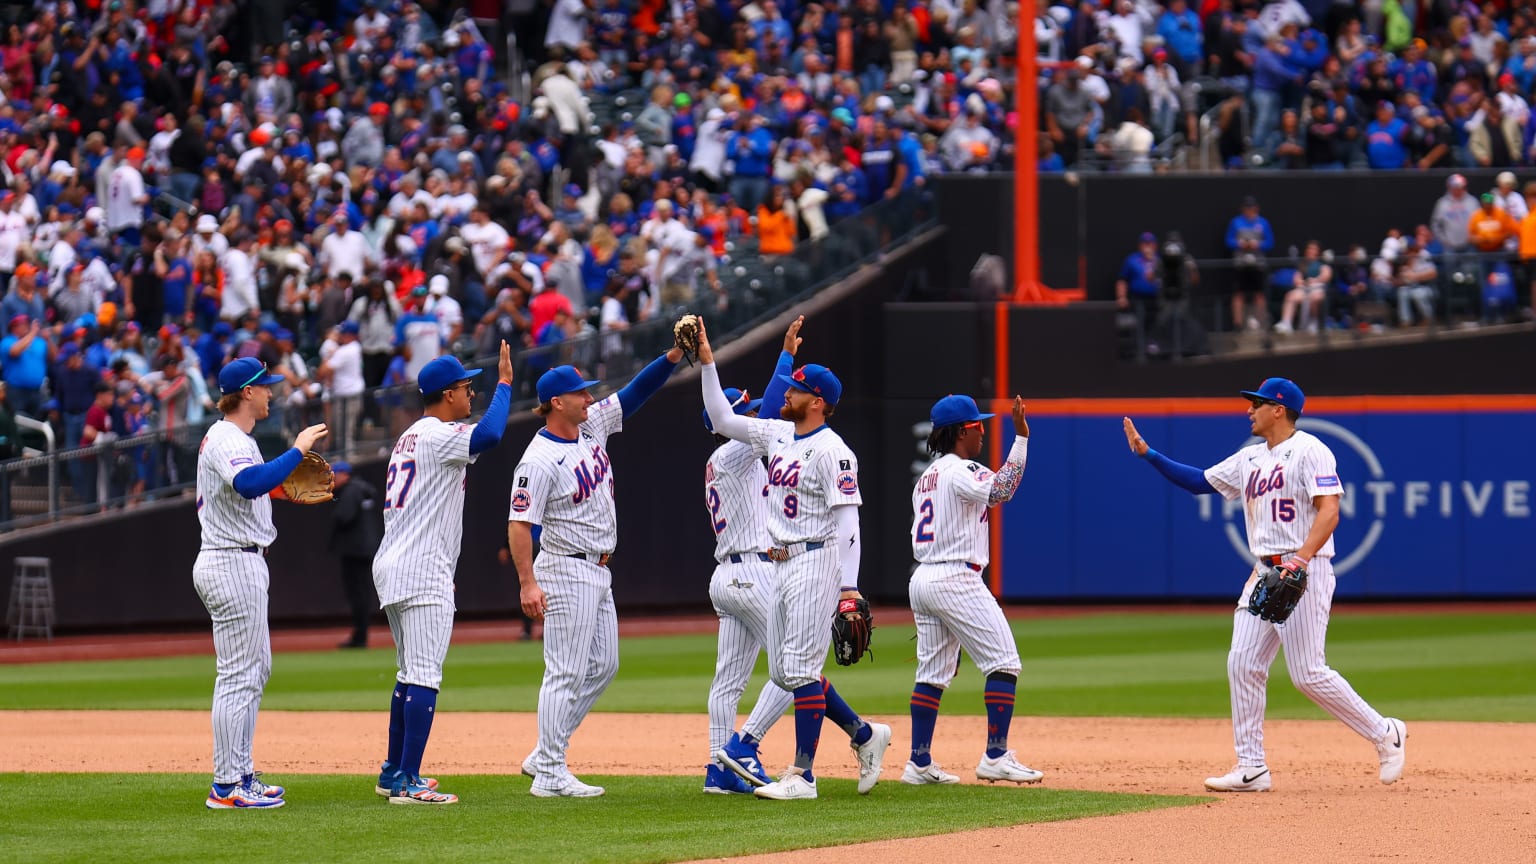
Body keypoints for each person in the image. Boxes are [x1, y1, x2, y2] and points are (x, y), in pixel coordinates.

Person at [1122, 378, 1407, 792]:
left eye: (1256, 404)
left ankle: (1385, 733)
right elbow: (1200, 482)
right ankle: (1251, 766)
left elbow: (1329, 512)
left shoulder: (1311, 450)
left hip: (1304, 569)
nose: (1249, 410)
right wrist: (1149, 454)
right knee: (1242, 663)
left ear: (1279, 409)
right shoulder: (1250, 457)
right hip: (1264, 572)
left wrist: (1301, 560)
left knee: (1307, 674)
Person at [698, 318, 892, 801]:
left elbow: (849, 523)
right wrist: (706, 362)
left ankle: (802, 775)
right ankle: (865, 735)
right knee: (785, 672)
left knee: (801, 671)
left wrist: (849, 588)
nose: (787, 392)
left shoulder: (834, 451)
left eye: (797, 388)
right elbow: (721, 418)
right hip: (780, 563)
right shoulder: (778, 435)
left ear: (818, 401)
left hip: (816, 559)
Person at [509, 341, 687, 798]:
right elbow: (519, 523)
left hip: (599, 568)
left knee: (604, 665)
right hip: (565, 567)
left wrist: (670, 357)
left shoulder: (590, 427)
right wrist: (527, 583)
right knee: (564, 671)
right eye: (581, 393)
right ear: (556, 403)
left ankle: (545, 752)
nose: (590, 398)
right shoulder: (538, 459)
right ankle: (550, 771)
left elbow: (635, 393)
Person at [371, 342, 516, 804]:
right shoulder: (437, 434)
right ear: (447, 393)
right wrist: (506, 384)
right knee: (424, 674)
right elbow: (490, 435)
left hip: (395, 564)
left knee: (408, 672)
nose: (472, 394)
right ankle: (408, 781)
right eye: (467, 387)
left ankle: (394, 771)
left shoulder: (409, 437)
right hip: (421, 567)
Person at [194, 357, 329, 809]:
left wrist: (284, 487)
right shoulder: (226, 437)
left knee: (253, 671)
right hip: (231, 561)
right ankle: (226, 785)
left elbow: (252, 489)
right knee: (238, 675)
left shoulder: (238, 439)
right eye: (266, 386)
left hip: (240, 559)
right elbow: (248, 483)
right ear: (247, 392)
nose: (272, 392)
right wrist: (296, 451)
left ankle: (241, 774)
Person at [904, 394, 1043, 786]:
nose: (983, 431)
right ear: (962, 431)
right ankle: (996, 755)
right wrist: (1021, 437)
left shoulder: (927, 477)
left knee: (932, 673)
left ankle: (918, 762)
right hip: (955, 577)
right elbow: (1002, 489)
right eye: (978, 425)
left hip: (924, 577)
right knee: (1004, 662)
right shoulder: (961, 469)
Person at [700, 317, 805, 795]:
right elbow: (771, 413)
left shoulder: (728, 462)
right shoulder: (732, 454)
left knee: (728, 682)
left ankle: (717, 770)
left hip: (729, 575)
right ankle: (743, 748)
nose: (757, 420)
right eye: (749, 413)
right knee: (793, 665)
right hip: (751, 572)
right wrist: (786, 357)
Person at [329, 461, 382, 649]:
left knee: (358, 594)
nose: (332, 479)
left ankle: (360, 636)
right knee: (362, 593)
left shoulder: (351, 491)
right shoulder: (361, 489)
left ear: (344, 474)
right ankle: (360, 634)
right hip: (365, 548)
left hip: (355, 550)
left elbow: (344, 516)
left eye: (334, 474)